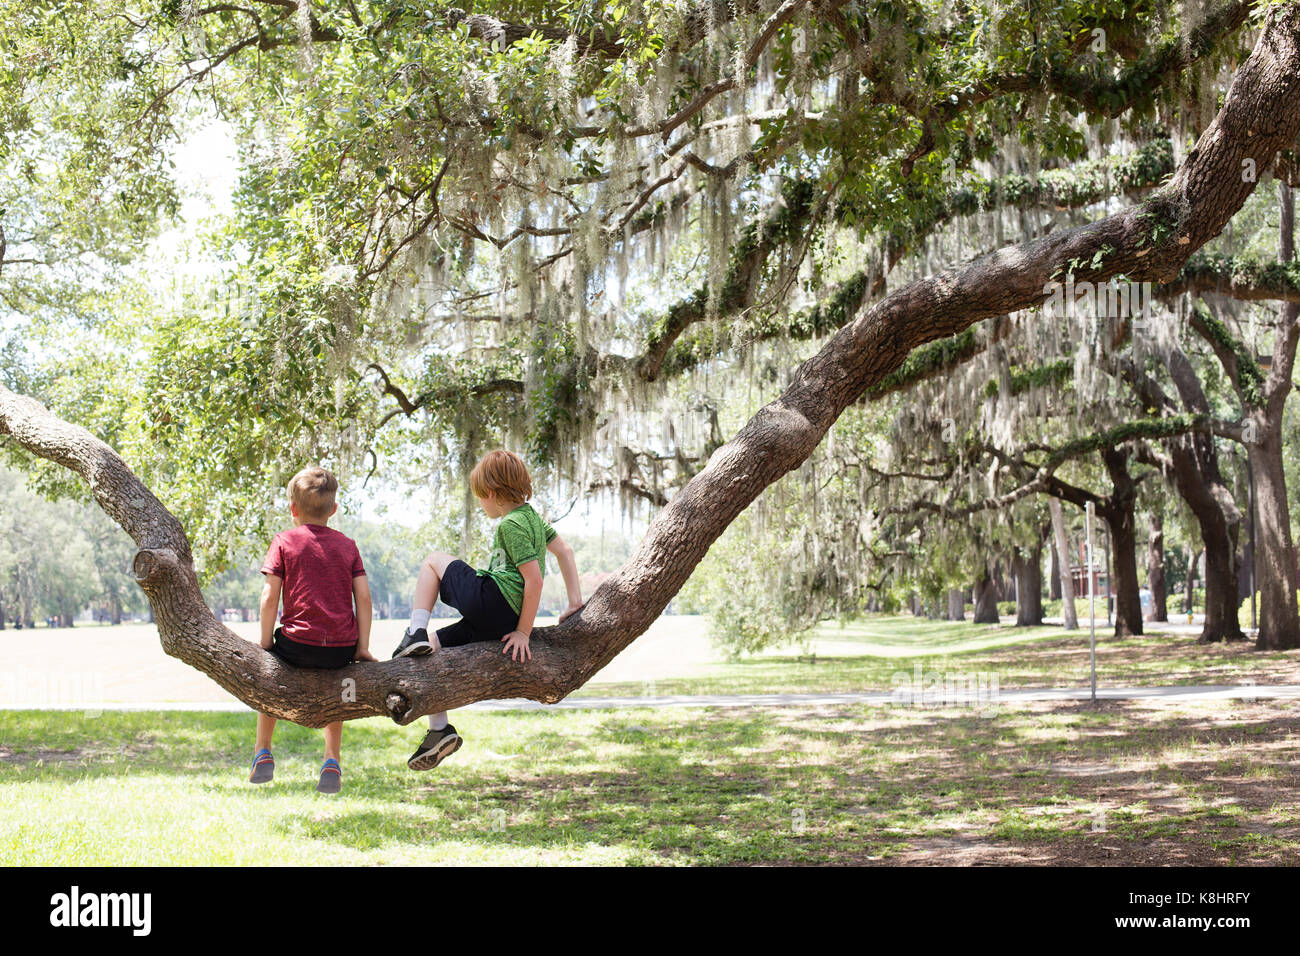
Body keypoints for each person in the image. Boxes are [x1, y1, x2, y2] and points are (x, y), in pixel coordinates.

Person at [393, 449, 584, 771]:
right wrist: (575, 602)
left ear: (493, 494)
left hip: (494, 600)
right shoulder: (533, 519)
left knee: (433, 560)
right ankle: (439, 731)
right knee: (430, 649)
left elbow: (534, 580)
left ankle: (414, 629)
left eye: (480, 497)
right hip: (500, 618)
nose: (481, 504)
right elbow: (564, 551)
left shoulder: (511, 524)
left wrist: (524, 632)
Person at [248, 466, 375, 793]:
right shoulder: (347, 545)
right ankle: (331, 759)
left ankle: (263, 749)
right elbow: (363, 597)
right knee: (339, 686)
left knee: (268, 681)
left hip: (296, 644)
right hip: (341, 649)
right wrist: (361, 647)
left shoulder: (284, 541)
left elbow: (268, 596)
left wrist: (265, 645)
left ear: (293, 510)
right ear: (333, 510)